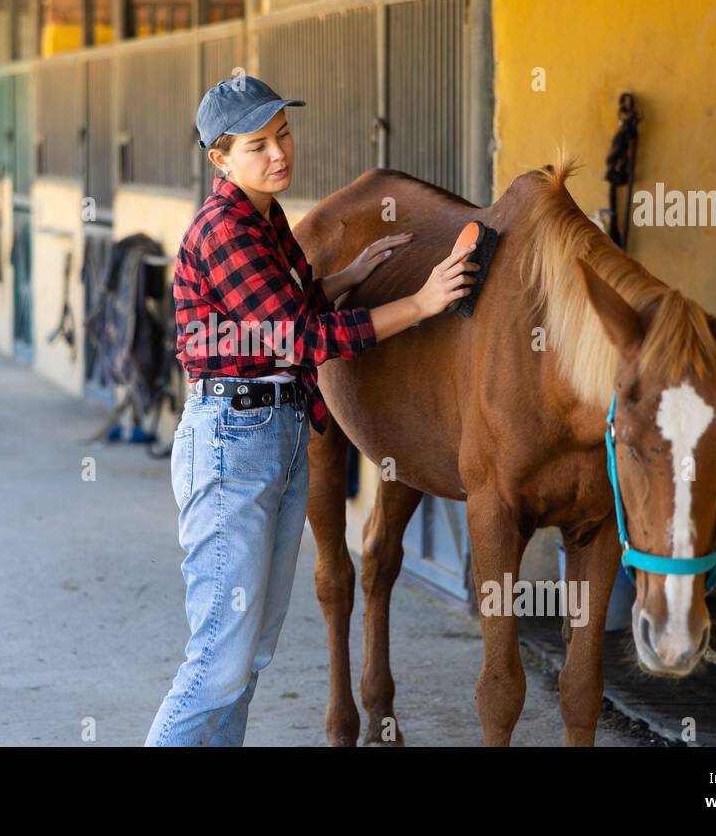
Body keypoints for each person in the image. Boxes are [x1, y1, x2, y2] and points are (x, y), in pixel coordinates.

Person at [145, 75, 482, 746]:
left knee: (249, 655)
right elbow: (300, 337)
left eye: (284, 136)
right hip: (233, 441)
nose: (279, 154)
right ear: (220, 159)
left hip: (277, 430)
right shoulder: (225, 231)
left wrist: (350, 275)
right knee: (218, 659)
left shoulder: (263, 215)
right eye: (258, 145)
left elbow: (284, 305)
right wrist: (422, 302)